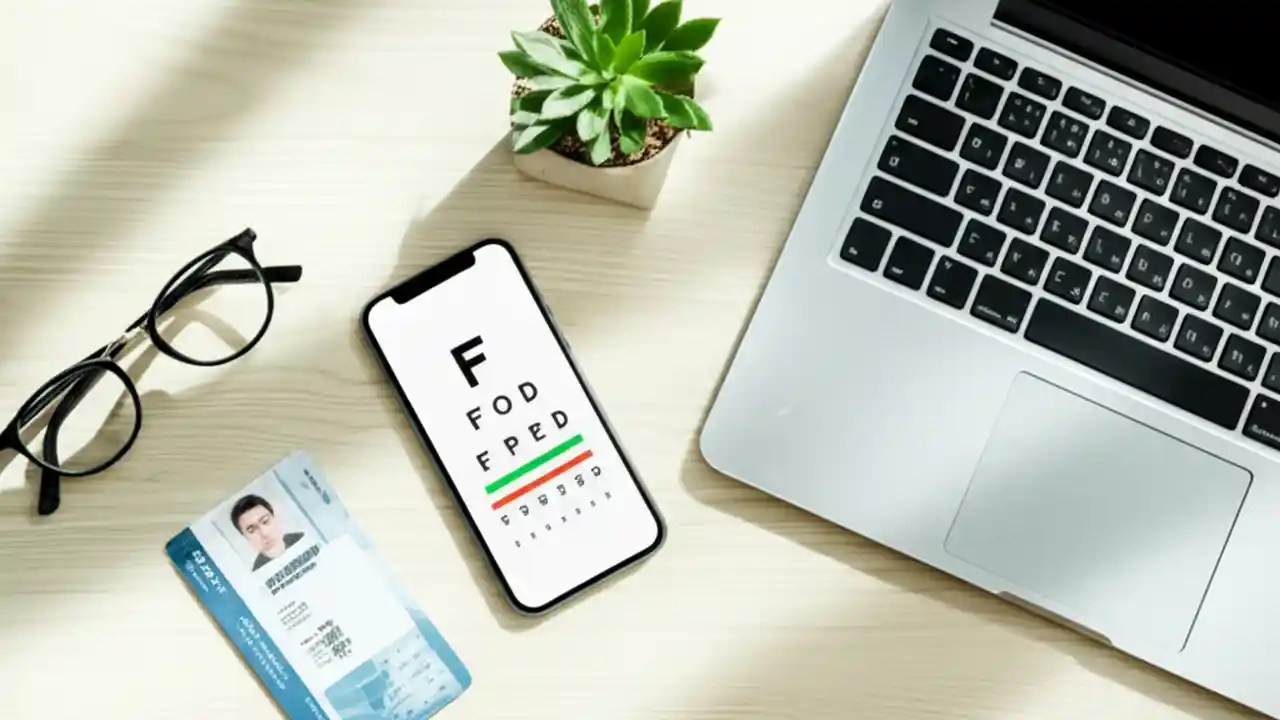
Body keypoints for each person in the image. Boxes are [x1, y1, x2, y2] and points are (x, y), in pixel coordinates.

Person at [230, 494, 304, 571]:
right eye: (252, 530)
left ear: (274, 517)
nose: (264, 533)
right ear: (245, 536)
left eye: (265, 521)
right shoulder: (258, 573)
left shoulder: (302, 539)